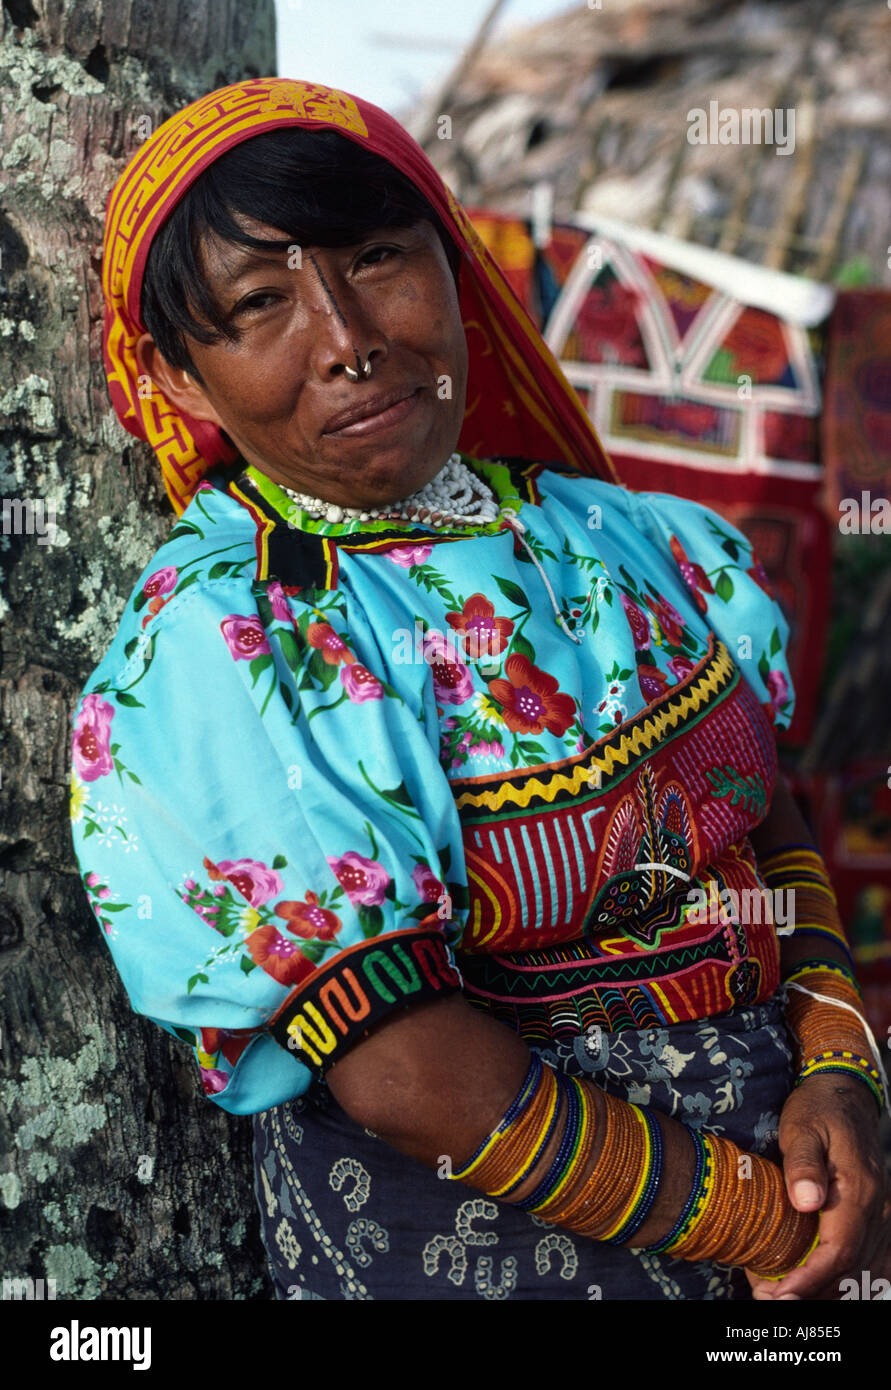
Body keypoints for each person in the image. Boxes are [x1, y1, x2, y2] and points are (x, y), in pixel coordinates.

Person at [71, 76, 888, 1301]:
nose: (348, 337)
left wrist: (838, 1058)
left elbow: (757, 809)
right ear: (182, 380)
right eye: (259, 304)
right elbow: (398, 1070)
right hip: (488, 1241)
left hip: (791, 1193)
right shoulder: (231, 637)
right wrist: (756, 1226)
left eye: (380, 256)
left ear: (455, 270)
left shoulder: (622, 535)